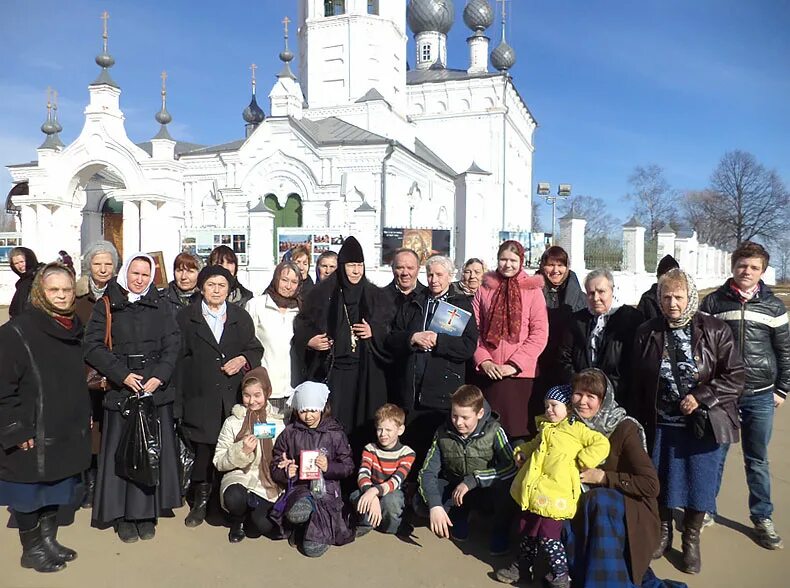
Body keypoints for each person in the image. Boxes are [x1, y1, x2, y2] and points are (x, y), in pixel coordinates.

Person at [631, 269, 744, 574]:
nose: (672, 303)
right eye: (666, 296)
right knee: (661, 479)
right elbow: (637, 378)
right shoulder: (647, 331)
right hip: (662, 421)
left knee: (700, 484)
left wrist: (703, 396)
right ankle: (664, 531)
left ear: (690, 296)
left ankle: (691, 538)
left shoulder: (716, 329)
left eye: (678, 296)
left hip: (703, 423)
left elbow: (736, 376)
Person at [83, 253, 182, 543]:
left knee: (150, 453)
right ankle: (123, 515)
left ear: (151, 277)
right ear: (125, 273)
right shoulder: (106, 305)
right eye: (134, 273)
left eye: (144, 274)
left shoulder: (161, 305)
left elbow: (173, 344)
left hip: (153, 391)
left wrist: (158, 376)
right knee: (121, 453)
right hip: (122, 391)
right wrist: (122, 375)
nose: (138, 279)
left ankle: (145, 513)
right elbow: (92, 347)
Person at [0, 263, 91, 573]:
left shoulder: (73, 327)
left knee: (56, 485)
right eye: (55, 290)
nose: (62, 296)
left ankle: (48, 540)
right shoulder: (17, 331)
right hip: (32, 426)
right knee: (28, 492)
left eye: (67, 290)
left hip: (64, 425)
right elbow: (2, 385)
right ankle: (32, 549)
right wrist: (13, 427)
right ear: (41, 292)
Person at [700, 241, 789, 550]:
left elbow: (785, 351)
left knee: (757, 459)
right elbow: (701, 348)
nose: (746, 271)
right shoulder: (713, 302)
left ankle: (762, 517)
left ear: (762, 271)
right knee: (715, 455)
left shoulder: (774, 306)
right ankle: (706, 510)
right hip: (724, 395)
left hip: (761, 394)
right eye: (742, 265)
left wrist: (782, 389)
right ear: (733, 266)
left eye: (753, 267)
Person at [496, 385, 610, 587]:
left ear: (568, 407)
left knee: (549, 537)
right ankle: (521, 568)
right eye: (547, 406)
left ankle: (560, 575)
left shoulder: (577, 429)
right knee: (528, 531)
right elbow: (533, 445)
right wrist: (521, 452)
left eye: (554, 405)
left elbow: (601, 444)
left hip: (557, 494)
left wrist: (585, 459)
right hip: (535, 491)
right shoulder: (545, 429)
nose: (549, 410)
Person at [177, 265, 264, 528]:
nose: (216, 290)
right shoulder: (186, 317)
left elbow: (254, 348)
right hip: (199, 396)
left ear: (229, 289)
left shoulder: (240, 317)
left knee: (231, 446)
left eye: (222, 285)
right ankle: (201, 500)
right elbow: (178, 358)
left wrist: (242, 359)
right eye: (211, 285)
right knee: (204, 449)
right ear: (201, 288)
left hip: (232, 396)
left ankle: (225, 500)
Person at [562, 369, 663, 587]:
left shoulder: (624, 428)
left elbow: (651, 485)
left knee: (599, 500)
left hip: (629, 505)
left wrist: (604, 477)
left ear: (604, 400)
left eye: (591, 396)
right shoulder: (567, 425)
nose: (582, 402)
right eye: (578, 394)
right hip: (581, 501)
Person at [292, 237, 390, 448]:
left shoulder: (375, 296)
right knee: (334, 425)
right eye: (351, 266)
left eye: (359, 266)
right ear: (342, 267)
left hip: (365, 374)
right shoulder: (322, 294)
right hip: (333, 372)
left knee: (364, 426)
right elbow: (303, 326)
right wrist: (310, 341)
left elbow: (389, 331)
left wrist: (374, 332)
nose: (356, 271)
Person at [387, 255, 478, 461]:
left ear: (449, 276)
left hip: (443, 391)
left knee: (439, 450)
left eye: (439, 275)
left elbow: (468, 347)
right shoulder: (414, 303)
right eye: (430, 274)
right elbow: (392, 338)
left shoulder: (461, 305)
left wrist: (440, 341)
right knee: (413, 447)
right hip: (413, 389)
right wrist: (412, 337)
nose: (434, 279)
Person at [416, 385, 516, 555]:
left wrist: (473, 480)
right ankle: (459, 514)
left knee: (507, 487)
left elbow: (510, 466)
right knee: (421, 502)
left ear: (480, 414)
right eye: (454, 416)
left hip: (485, 487)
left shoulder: (494, 430)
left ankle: (500, 529)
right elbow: (427, 472)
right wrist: (434, 505)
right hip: (456, 487)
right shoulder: (442, 432)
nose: (458, 422)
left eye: (465, 417)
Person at [472, 240, 548, 438]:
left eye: (513, 260)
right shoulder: (485, 288)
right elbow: (475, 329)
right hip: (489, 374)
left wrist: (515, 364)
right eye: (503, 259)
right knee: (487, 435)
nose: (508, 265)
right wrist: (485, 361)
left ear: (521, 261)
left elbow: (539, 334)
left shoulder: (532, 290)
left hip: (519, 376)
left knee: (517, 436)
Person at [270, 381, 355, 557]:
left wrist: (329, 467)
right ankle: (299, 526)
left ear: (323, 408)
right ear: (296, 411)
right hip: (301, 488)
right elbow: (276, 462)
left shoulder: (335, 433)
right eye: (303, 411)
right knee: (297, 512)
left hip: (328, 491)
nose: (308, 416)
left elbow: (348, 467)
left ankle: (312, 530)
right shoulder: (290, 433)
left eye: (313, 410)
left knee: (312, 550)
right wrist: (286, 472)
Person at [213, 367, 284, 543]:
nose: (252, 401)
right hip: (240, 477)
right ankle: (238, 521)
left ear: (267, 393)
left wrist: (285, 462)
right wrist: (241, 451)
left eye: (257, 395)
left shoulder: (278, 422)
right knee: (234, 497)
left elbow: (286, 453)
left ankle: (254, 516)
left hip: (267, 481)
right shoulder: (233, 422)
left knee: (262, 527)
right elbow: (218, 461)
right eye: (247, 395)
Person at [74, 239, 119, 508]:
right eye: (97, 262)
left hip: (114, 372)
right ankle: (89, 483)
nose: (102, 269)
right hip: (84, 373)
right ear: (88, 264)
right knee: (90, 429)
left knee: (110, 428)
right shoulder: (78, 299)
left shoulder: (119, 296)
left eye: (108, 263)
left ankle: (107, 482)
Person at [558, 268, 643, 407]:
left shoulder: (631, 318)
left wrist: (610, 388)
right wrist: (579, 383)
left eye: (601, 292)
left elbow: (634, 362)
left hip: (618, 396)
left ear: (612, 291)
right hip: (583, 396)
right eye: (591, 293)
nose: (596, 298)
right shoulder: (577, 321)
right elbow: (564, 356)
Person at [246, 261, 303, 425]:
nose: (288, 286)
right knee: (265, 439)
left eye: (294, 282)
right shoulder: (257, 305)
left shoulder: (300, 309)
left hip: (293, 389)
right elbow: (247, 342)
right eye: (284, 280)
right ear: (276, 279)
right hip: (265, 388)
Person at [352, 404, 416, 537]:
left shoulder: (407, 453)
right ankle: (367, 523)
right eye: (380, 429)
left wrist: (375, 492)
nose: (383, 434)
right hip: (371, 487)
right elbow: (363, 474)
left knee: (391, 502)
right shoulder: (370, 448)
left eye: (388, 430)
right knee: (357, 497)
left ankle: (392, 526)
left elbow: (397, 480)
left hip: (393, 491)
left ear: (400, 430)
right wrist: (372, 494)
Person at [535, 246, 588, 401]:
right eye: (550, 265)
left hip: (567, 365)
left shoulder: (581, 298)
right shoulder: (531, 293)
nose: (555, 270)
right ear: (542, 266)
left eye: (560, 265)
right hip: (538, 363)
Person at [637, 254, 680, 322]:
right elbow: (639, 326)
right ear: (658, 277)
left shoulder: (685, 297)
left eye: (673, 277)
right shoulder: (648, 299)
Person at [9, 246, 43, 319]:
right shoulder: (22, 282)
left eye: (22, 261)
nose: (20, 266)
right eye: (16, 263)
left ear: (30, 260)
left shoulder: (41, 277)